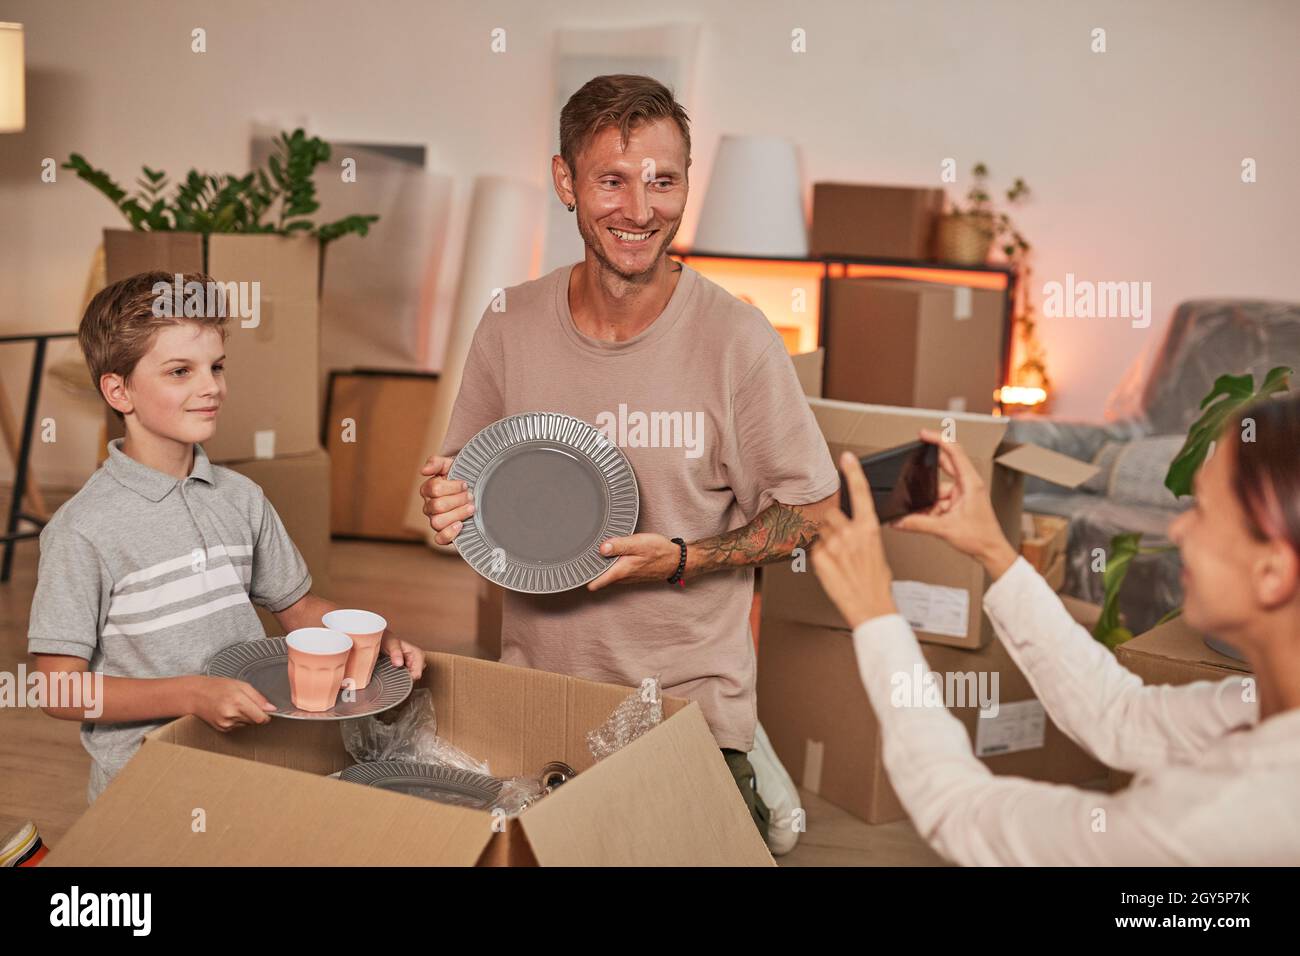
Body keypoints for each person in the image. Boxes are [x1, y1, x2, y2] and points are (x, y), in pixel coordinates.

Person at [419, 74, 840, 846]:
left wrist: (682, 558)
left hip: (684, 709)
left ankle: (753, 773)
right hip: (537, 697)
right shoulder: (510, 320)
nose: (641, 211)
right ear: (564, 182)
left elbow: (813, 513)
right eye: (611, 181)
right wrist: (446, 505)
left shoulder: (736, 339)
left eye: (663, 181)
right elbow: (466, 481)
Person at [810, 398, 1300, 865]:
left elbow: (959, 813)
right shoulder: (1255, 704)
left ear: (1272, 572)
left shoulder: (1226, 816)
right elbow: (1119, 716)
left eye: (1203, 511)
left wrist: (876, 616)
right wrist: (995, 552)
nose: (1177, 531)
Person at [29, 271, 424, 804]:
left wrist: (370, 644)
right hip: (148, 788)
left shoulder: (241, 497)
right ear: (118, 390)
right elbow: (57, 689)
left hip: (251, 764)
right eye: (179, 371)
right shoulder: (82, 530)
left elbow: (298, 605)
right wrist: (192, 694)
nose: (210, 386)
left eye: (215, 367)